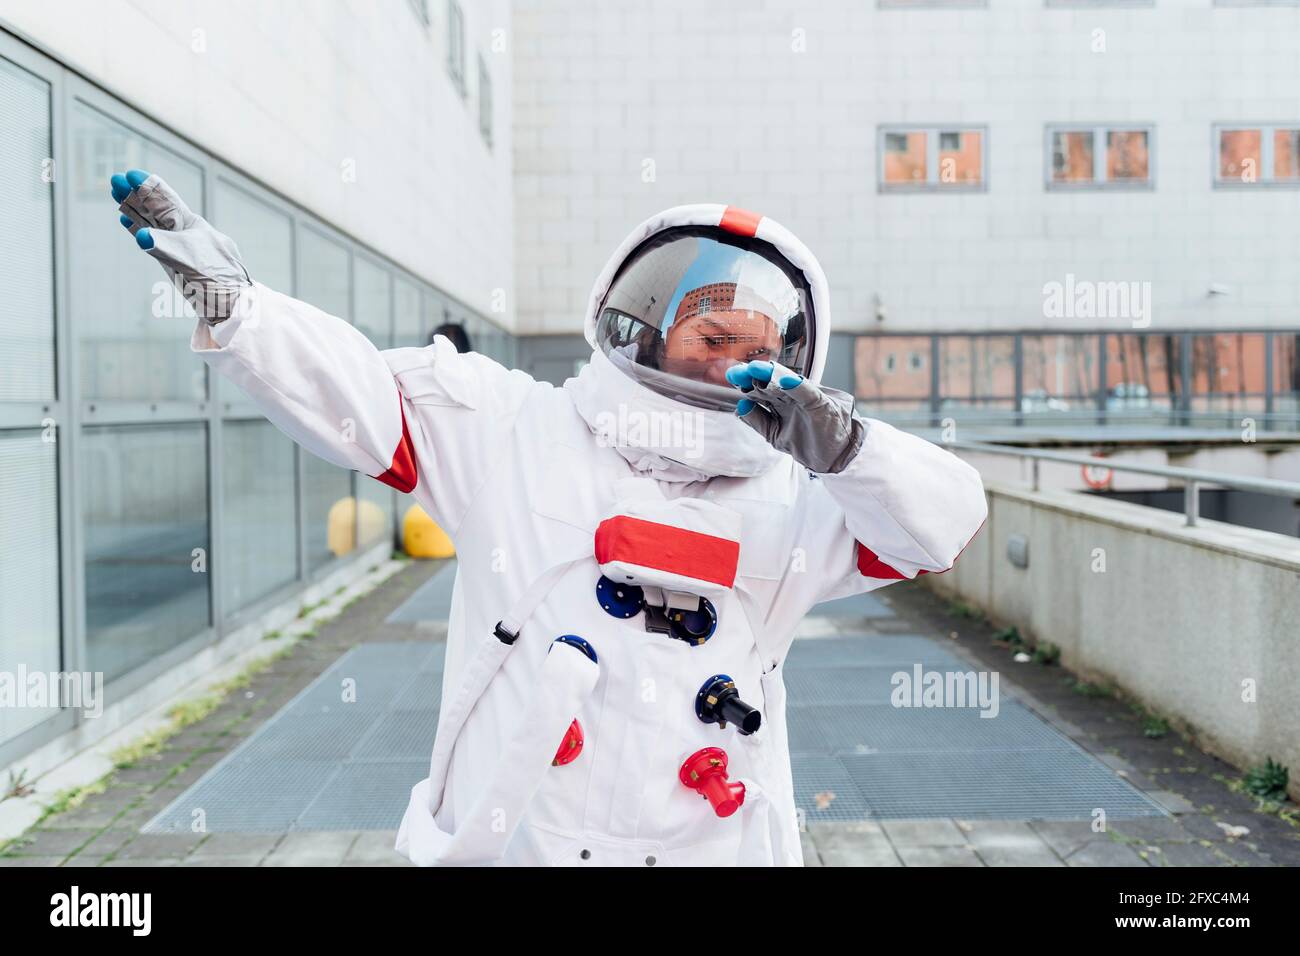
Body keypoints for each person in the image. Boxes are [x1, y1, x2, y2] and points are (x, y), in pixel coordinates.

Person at [110, 170, 987, 866]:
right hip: (523, 838)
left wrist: (849, 451)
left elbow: (943, 523)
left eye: (757, 352)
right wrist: (240, 309)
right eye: (710, 340)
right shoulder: (513, 429)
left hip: (708, 841)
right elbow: (357, 394)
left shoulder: (800, 500)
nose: (730, 368)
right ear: (647, 332)